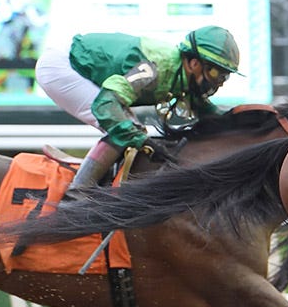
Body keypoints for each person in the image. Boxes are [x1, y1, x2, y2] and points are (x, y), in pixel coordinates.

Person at [35, 25, 240, 192]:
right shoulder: (155, 68)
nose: (220, 82)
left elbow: (205, 111)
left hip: (81, 65)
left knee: (132, 131)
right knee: (126, 128)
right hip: (61, 67)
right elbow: (106, 106)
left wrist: (241, 118)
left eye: (225, 76)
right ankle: (75, 196)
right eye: (216, 73)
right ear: (194, 63)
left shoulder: (184, 73)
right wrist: (142, 140)